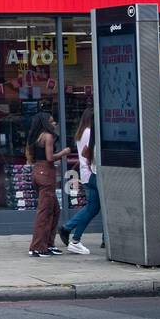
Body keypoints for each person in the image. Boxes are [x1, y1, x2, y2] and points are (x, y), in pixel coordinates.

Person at [26, 112, 70, 258]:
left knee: (54, 210)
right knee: (44, 212)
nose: (54, 123)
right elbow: (50, 157)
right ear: (45, 123)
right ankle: (37, 247)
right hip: (46, 174)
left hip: (38, 171)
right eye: (51, 122)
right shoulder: (48, 136)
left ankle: (48, 244)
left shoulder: (37, 137)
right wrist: (64, 152)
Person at [57, 108, 99, 254]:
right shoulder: (89, 132)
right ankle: (73, 235)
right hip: (92, 172)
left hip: (87, 173)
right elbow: (90, 153)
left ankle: (70, 230)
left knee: (93, 207)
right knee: (92, 208)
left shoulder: (81, 133)